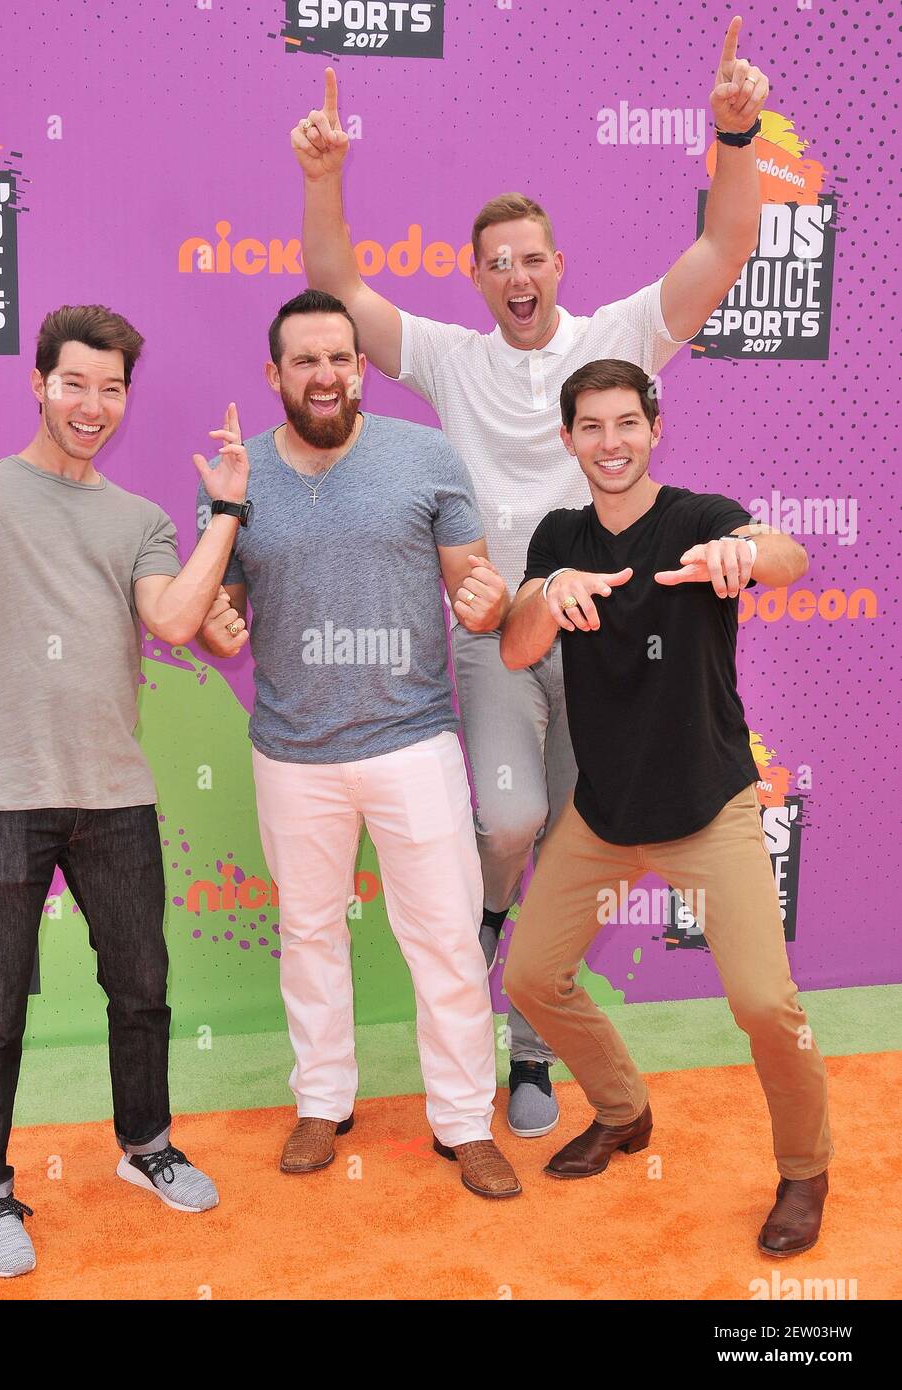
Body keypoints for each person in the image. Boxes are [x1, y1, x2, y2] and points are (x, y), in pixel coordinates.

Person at [290, 17, 770, 1138]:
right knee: (507, 824)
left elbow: (724, 249)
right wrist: (323, 176)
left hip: (606, 642)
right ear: (476, 275)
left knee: (571, 840)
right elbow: (333, 287)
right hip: (500, 631)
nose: (514, 275)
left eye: (530, 257)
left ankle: (529, 1051)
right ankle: (479, 925)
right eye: (494, 261)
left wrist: (734, 132)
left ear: (558, 266)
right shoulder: (450, 357)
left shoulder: (610, 339)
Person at [0, 310, 252, 1277]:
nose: (93, 406)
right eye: (75, 384)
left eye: (111, 388)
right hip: (2, 791)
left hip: (114, 793)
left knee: (141, 986)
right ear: (37, 384)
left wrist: (226, 514)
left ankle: (145, 1145)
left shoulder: (141, 519)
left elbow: (178, 617)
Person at [500, 359, 831, 1255]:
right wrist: (545, 593)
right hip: (604, 814)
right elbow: (516, 644)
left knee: (766, 1004)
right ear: (566, 439)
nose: (610, 443)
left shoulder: (697, 517)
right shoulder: (559, 532)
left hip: (706, 804)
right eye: (591, 428)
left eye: (625, 424)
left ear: (652, 429)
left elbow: (786, 558)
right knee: (530, 976)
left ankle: (803, 1170)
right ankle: (623, 1109)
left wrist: (745, 553)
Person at [196, 289, 521, 1199]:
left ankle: (463, 1122)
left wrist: (488, 601)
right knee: (307, 938)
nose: (325, 374)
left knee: (449, 942)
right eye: (304, 360)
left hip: (413, 741)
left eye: (339, 357)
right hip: (291, 751)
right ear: (274, 374)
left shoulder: (424, 456)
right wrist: (220, 623)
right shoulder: (235, 474)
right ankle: (320, 1102)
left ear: (362, 366)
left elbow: (477, 585)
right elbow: (222, 617)